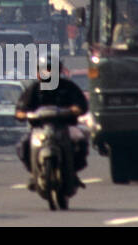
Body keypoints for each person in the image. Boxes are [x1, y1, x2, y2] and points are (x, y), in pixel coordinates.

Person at [15, 59, 88, 191]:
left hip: (65, 127)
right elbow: (20, 109)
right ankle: (34, 173)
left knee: (80, 142)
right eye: (44, 69)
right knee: (23, 145)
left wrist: (76, 109)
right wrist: (22, 114)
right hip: (39, 129)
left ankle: (73, 172)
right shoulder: (34, 89)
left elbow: (81, 105)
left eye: (51, 68)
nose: (48, 72)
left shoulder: (68, 87)